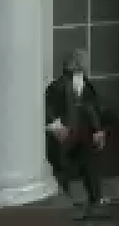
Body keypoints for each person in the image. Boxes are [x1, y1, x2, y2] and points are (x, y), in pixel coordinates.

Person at [44, 50, 105, 214]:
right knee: (61, 167)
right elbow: (48, 109)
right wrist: (56, 127)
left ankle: (95, 198)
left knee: (89, 164)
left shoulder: (87, 85)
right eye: (84, 61)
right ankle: (64, 201)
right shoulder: (57, 86)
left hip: (83, 133)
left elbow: (93, 109)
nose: (87, 64)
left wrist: (98, 130)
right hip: (65, 133)